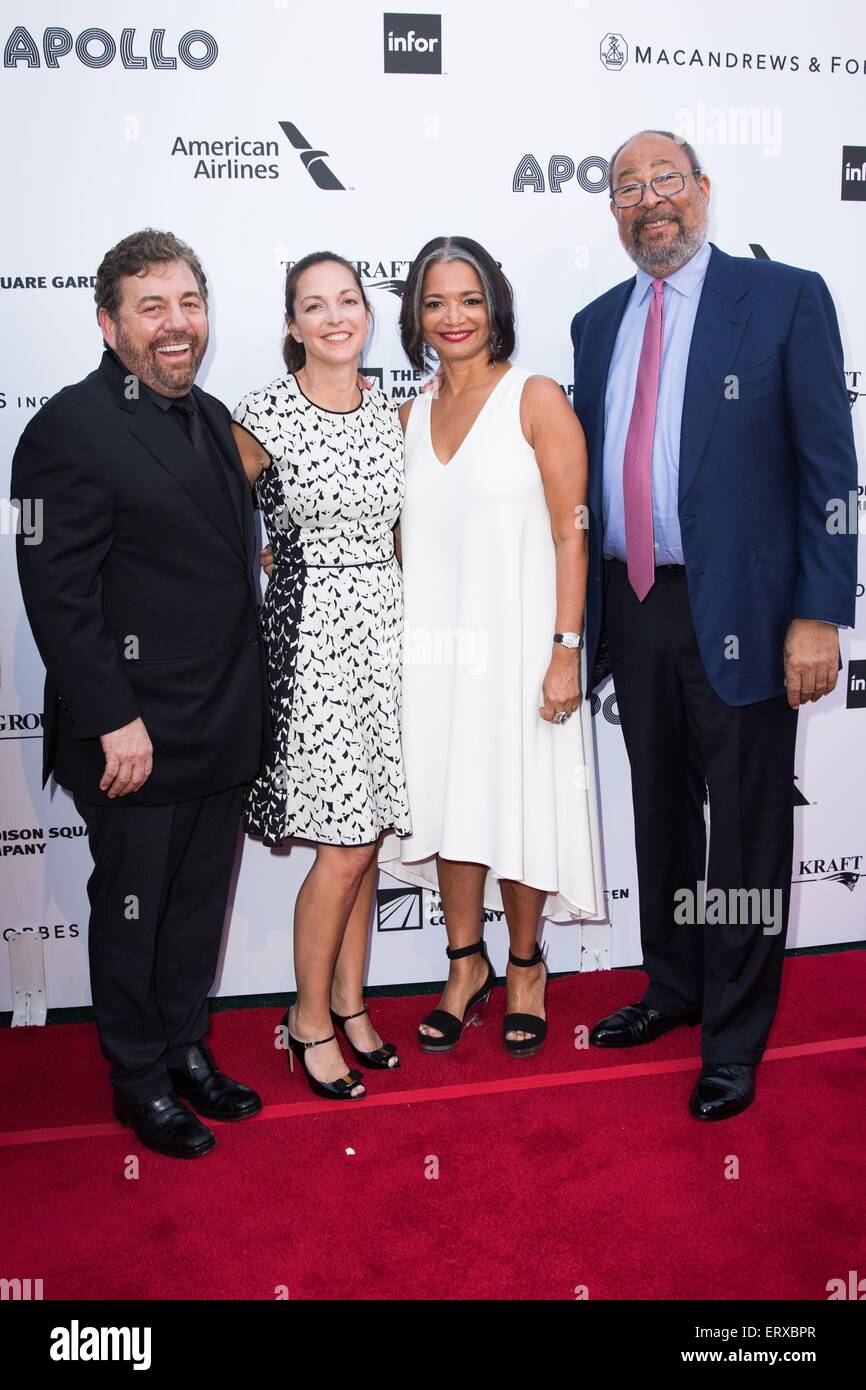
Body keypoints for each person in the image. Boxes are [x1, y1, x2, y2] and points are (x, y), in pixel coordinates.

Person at [571, 130, 858, 1119]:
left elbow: (831, 473)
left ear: (702, 188)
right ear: (612, 210)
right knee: (658, 812)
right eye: (627, 187)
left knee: (742, 830)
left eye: (665, 179)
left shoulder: (784, 299)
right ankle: (674, 985)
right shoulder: (595, 323)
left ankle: (732, 1035)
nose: (649, 199)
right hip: (635, 602)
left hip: (748, 609)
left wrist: (819, 611)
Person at [11, 229, 269, 1159]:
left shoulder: (210, 414)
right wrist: (114, 718)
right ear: (108, 323)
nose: (176, 323)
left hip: (219, 721)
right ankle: (138, 1080)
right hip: (134, 733)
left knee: (195, 907)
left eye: (189, 303)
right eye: (152, 306)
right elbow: (55, 593)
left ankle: (185, 1047)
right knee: (133, 909)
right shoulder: (65, 429)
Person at [379, 236, 605, 1057]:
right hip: (434, 657)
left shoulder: (535, 398)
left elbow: (572, 533)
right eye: (435, 302)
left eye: (469, 299)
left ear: (495, 307)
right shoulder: (405, 418)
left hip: (521, 648)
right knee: (451, 803)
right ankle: (464, 964)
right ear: (415, 316)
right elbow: (394, 544)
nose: (454, 317)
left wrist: (564, 650)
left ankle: (525, 968)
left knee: (519, 803)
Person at [231, 252, 410, 1101]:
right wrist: (266, 561)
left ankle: (350, 1004)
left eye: (348, 301)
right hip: (312, 645)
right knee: (343, 844)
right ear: (292, 324)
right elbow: (208, 527)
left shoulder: (391, 414)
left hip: (386, 637)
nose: (335, 316)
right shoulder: (262, 415)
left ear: (368, 316)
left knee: (366, 839)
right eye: (315, 304)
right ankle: (307, 1023)